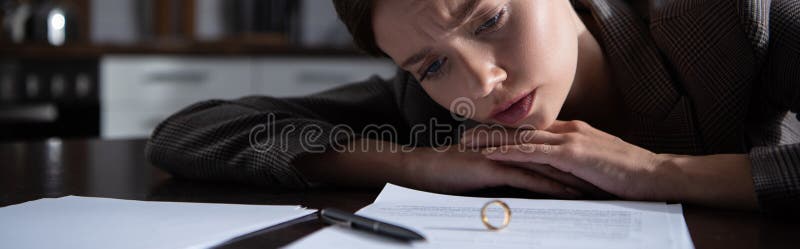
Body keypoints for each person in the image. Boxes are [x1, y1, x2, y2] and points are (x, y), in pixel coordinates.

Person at [145, 0, 800, 215]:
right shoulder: (432, 113)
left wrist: (661, 173)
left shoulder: (734, 17)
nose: (481, 82)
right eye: (431, 64)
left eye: (489, 19)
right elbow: (187, 133)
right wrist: (416, 164)